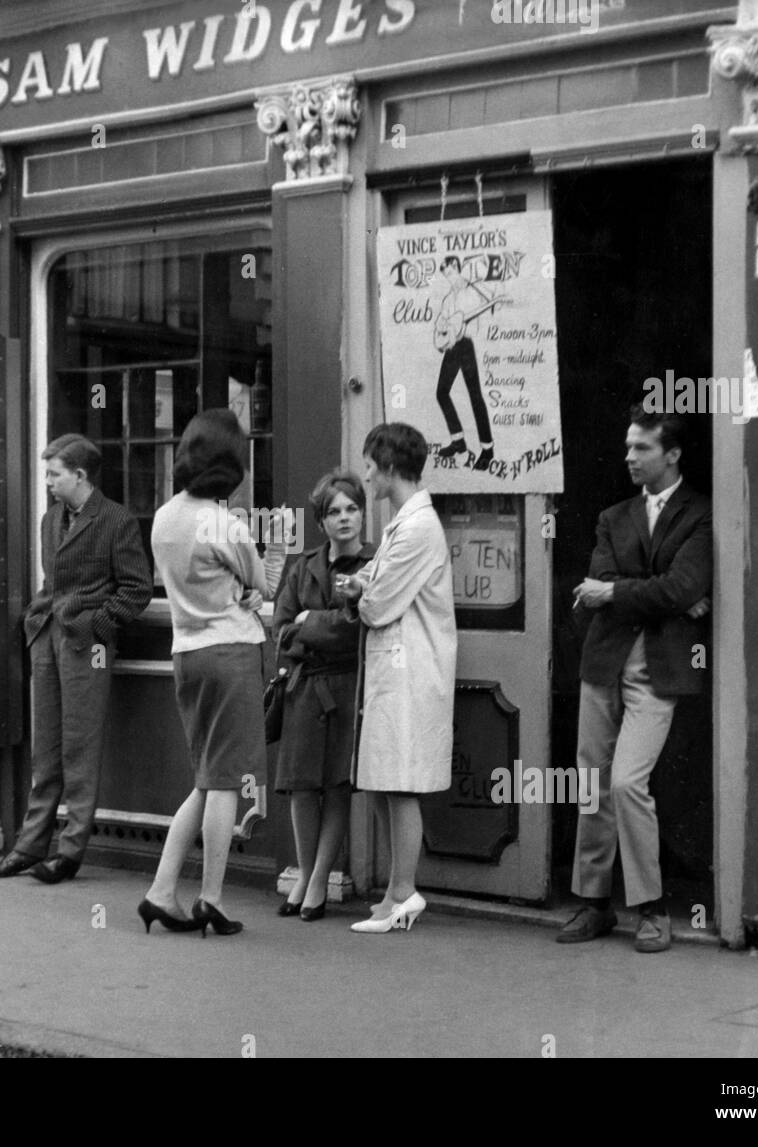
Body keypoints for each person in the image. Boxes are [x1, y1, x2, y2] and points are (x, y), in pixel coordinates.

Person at [559, 405, 712, 953]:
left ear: (672, 454)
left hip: (658, 669)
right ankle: (594, 903)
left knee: (626, 782)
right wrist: (664, 595)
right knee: (592, 781)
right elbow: (609, 583)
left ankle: (651, 907)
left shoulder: (700, 514)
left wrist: (619, 592)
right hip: (604, 661)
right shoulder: (613, 516)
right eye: (628, 446)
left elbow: (684, 585)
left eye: (641, 447)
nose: (629, 456)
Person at [0, 434, 152, 884]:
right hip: (47, 636)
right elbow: (52, 582)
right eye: (47, 473)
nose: (48, 482)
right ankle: (29, 846)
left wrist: (97, 625)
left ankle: (70, 852)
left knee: (80, 748)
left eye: (54, 474)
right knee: (46, 750)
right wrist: (37, 621)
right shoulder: (50, 519)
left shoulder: (116, 520)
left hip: (87, 644)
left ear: (80, 475)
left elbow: (137, 589)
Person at [139, 409, 274, 938]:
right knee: (226, 783)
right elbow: (262, 583)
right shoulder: (225, 523)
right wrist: (254, 579)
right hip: (232, 653)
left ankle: (161, 890)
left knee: (205, 779)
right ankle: (211, 899)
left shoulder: (162, 518)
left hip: (186, 654)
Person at [336, 423, 456, 934]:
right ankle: (393, 893)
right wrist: (365, 585)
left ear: (388, 467)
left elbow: (380, 605)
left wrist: (361, 592)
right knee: (387, 782)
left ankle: (404, 892)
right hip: (398, 668)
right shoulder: (404, 524)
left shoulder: (417, 527)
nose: (365, 476)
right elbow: (380, 587)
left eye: (369, 465)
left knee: (400, 784)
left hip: (410, 670)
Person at [272, 470, 375, 921]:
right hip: (304, 687)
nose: (344, 518)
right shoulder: (304, 566)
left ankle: (317, 882)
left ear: (363, 514)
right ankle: (304, 873)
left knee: (336, 787)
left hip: (348, 687)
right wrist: (321, 624)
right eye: (334, 512)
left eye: (352, 509)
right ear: (321, 521)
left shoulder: (375, 564)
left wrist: (310, 622)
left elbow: (358, 630)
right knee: (300, 786)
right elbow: (280, 630)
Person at [433, 255, 503, 470]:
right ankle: (458, 441)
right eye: (446, 275)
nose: (449, 278)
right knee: (441, 392)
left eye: (451, 273)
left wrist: (490, 304)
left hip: (466, 346)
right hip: (452, 347)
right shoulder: (448, 299)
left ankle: (487, 448)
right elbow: (443, 323)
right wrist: (443, 326)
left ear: (457, 268)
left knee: (475, 396)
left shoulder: (473, 291)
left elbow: (474, 316)